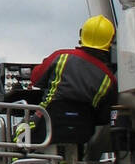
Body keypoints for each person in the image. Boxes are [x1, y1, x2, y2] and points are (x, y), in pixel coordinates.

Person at [28, 15, 118, 147]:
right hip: (82, 134)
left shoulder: (61, 57)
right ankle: (64, 161)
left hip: (47, 125)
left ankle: (17, 163)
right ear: (110, 41)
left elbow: (36, 78)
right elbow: (104, 116)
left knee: (21, 130)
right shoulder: (109, 78)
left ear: (81, 34)